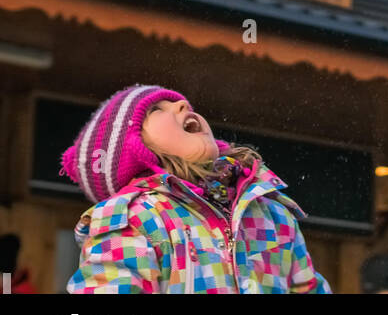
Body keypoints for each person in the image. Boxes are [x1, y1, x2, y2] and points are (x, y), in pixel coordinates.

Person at [61, 84, 331, 294]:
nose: (181, 104)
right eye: (156, 110)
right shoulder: (135, 220)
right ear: (133, 149)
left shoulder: (273, 215)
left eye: (178, 102)